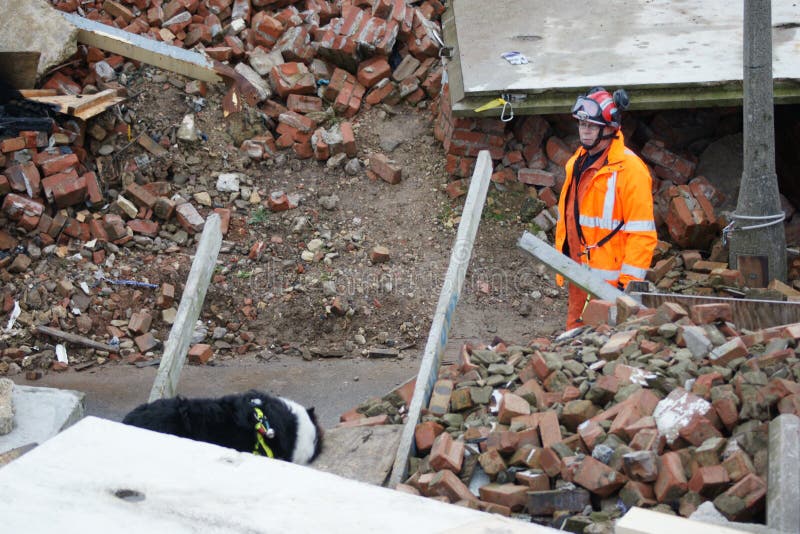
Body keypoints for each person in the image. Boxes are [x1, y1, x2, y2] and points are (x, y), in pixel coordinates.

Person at [554, 87, 657, 330]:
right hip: (579, 273)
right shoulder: (576, 163)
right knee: (575, 339)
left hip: (612, 286)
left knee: (604, 345)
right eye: (581, 124)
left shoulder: (631, 171)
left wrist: (628, 285)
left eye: (591, 126)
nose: (584, 130)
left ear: (610, 129)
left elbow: (642, 234)